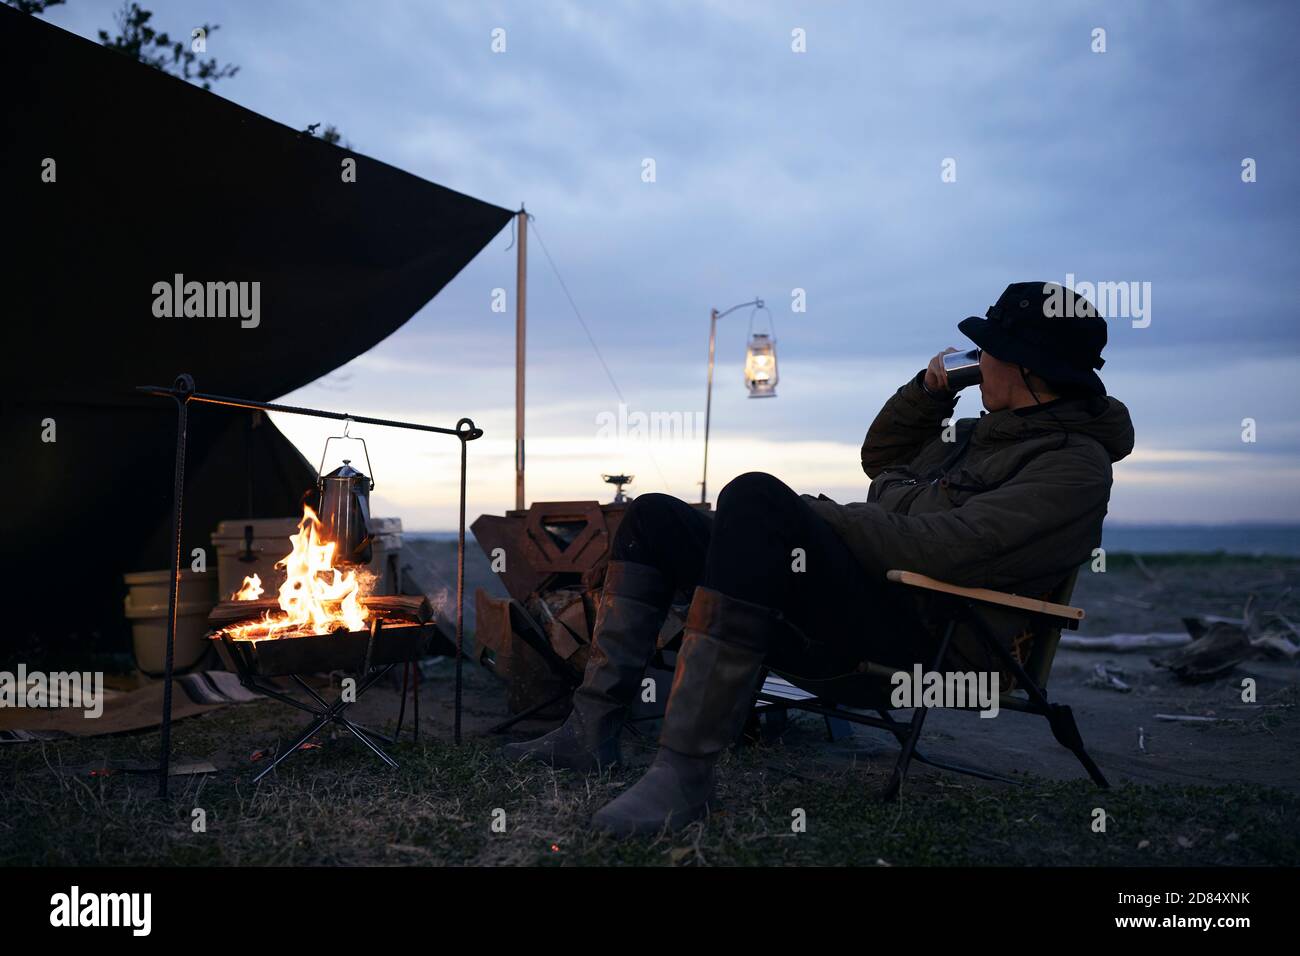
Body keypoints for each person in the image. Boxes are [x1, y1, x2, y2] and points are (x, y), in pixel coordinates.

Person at [504, 281, 1135, 836]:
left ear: (1027, 366)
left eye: (991, 349)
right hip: (867, 601)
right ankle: (590, 731)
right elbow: (882, 457)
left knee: (756, 498)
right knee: (654, 516)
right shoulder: (974, 435)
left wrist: (814, 514)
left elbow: (943, 550)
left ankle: (683, 776)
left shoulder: (1073, 467)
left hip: (926, 635)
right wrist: (928, 391)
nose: (982, 357)